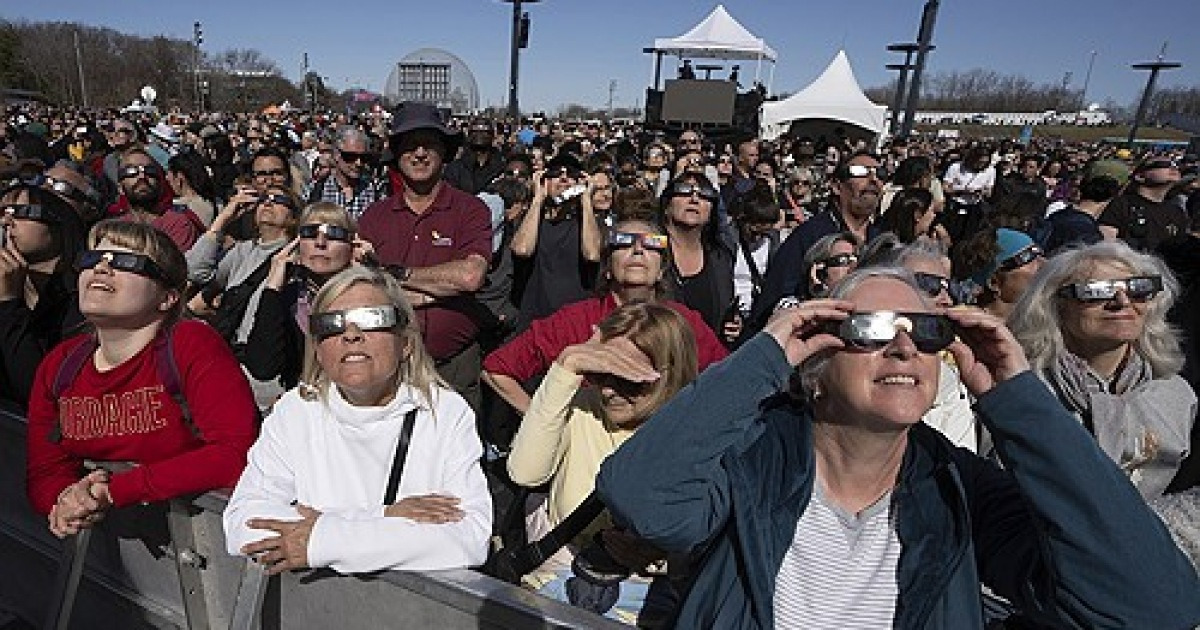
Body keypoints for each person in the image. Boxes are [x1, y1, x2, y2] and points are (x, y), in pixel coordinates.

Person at [596, 266, 1200, 629]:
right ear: (815, 366)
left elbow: (1153, 605)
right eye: (872, 330)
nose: (905, 348)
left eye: (927, 332)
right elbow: (643, 497)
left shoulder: (958, 490)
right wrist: (765, 357)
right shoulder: (754, 455)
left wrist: (1018, 400)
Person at [223, 266, 491, 574]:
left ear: (405, 342)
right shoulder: (295, 411)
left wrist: (322, 536)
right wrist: (385, 517)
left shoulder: (444, 412)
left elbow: (469, 539)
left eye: (373, 319)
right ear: (318, 349)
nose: (351, 335)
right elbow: (244, 526)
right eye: (331, 324)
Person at [25, 220, 258, 537]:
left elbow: (234, 453)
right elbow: (44, 469)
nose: (102, 268)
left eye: (126, 262)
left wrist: (115, 491)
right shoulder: (61, 364)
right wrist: (66, 500)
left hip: (203, 543)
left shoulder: (191, 344)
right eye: (92, 258)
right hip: (107, 555)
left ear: (167, 298)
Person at [508, 303, 696, 624]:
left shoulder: (693, 433)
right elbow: (525, 472)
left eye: (629, 379)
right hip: (558, 590)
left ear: (669, 374)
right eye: (600, 375)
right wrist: (566, 367)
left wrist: (662, 556)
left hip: (648, 604)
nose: (609, 391)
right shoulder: (580, 407)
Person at [483, 217, 728, 415]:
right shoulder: (574, 320)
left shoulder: (686, 322)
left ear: (662, 270)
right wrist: (545, 425)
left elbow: (727, 380)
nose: (638, 250)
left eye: (652, 244)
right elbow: (496, 370)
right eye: (624, 243)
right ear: (608, 267)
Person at [1009, 241, 1196, 499]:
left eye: (1138, 289)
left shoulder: (1176, 395)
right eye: (1097, 291)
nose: (1122, 301)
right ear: (1057, 305)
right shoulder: (1019, 389)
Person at [358, 103, 492, 411]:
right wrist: (439, 291)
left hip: (454, 366)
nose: (419, 153)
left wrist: (398, 275)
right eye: (410, 145)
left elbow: (470, 276)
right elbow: (366, 290)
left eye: (429, 144)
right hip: (389, 366)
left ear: (444, 152)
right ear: (396, 154)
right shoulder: (374, 217)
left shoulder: (470, 210)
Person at [749, 152, 884, 334]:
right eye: (861, 172)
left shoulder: (883, 242)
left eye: (879, 173)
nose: (873, 179)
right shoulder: (809, 236)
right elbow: (775, 298)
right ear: (836, 186)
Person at [241, 202, 361, 395]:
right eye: (310, 233)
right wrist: (273, 287)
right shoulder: (289, 297)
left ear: (353, 246)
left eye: (334, 234)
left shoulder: (366, 295)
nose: (320, 243)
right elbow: (263, 368)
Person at [0, 183, 88, 407]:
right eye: (2, 213)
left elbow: (37, 389)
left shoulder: (82, 297)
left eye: (20, 212)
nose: (6, 221)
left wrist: (8, 303)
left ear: (58, 223)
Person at [510, 153, 603, 330]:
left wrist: (586, 200)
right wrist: (538, 198)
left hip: (575, 323)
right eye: (555, 173)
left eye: (571, 174)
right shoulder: (530, 220)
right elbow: (522, 249)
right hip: (535, 322)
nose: (564, 179)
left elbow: (592, 254)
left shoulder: (589, 223)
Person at [661, 172, 736, 335]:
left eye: (704, 195)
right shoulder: (650, 250)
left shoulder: (720, 257)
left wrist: (731, 326)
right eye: (684, 191)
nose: (694, 199)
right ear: (667, 205)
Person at [1099, 156, 1190, 251]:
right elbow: (1106, 245)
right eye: (1163, 164)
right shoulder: (1121, 204)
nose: (1173, 167)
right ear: (1140, 176)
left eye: (1176, 165)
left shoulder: (1177, 211)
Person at [955, 227, 1043, 319]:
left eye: (1040, 253)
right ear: (995, 283)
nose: (1043, 263)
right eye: (1028, 257)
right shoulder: (968, 326)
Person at [303, 126, 384, 220]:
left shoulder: (375, 190)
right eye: (350, 157)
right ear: (336, 155)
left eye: (363, 157)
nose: (358, 163)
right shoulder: (316, 190)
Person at [443, 118, 505, 195]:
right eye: (475, 131)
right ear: (468, 135)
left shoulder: (502, 167)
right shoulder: (454, 169)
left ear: (493, 136)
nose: (480, 134)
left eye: (485, 131)